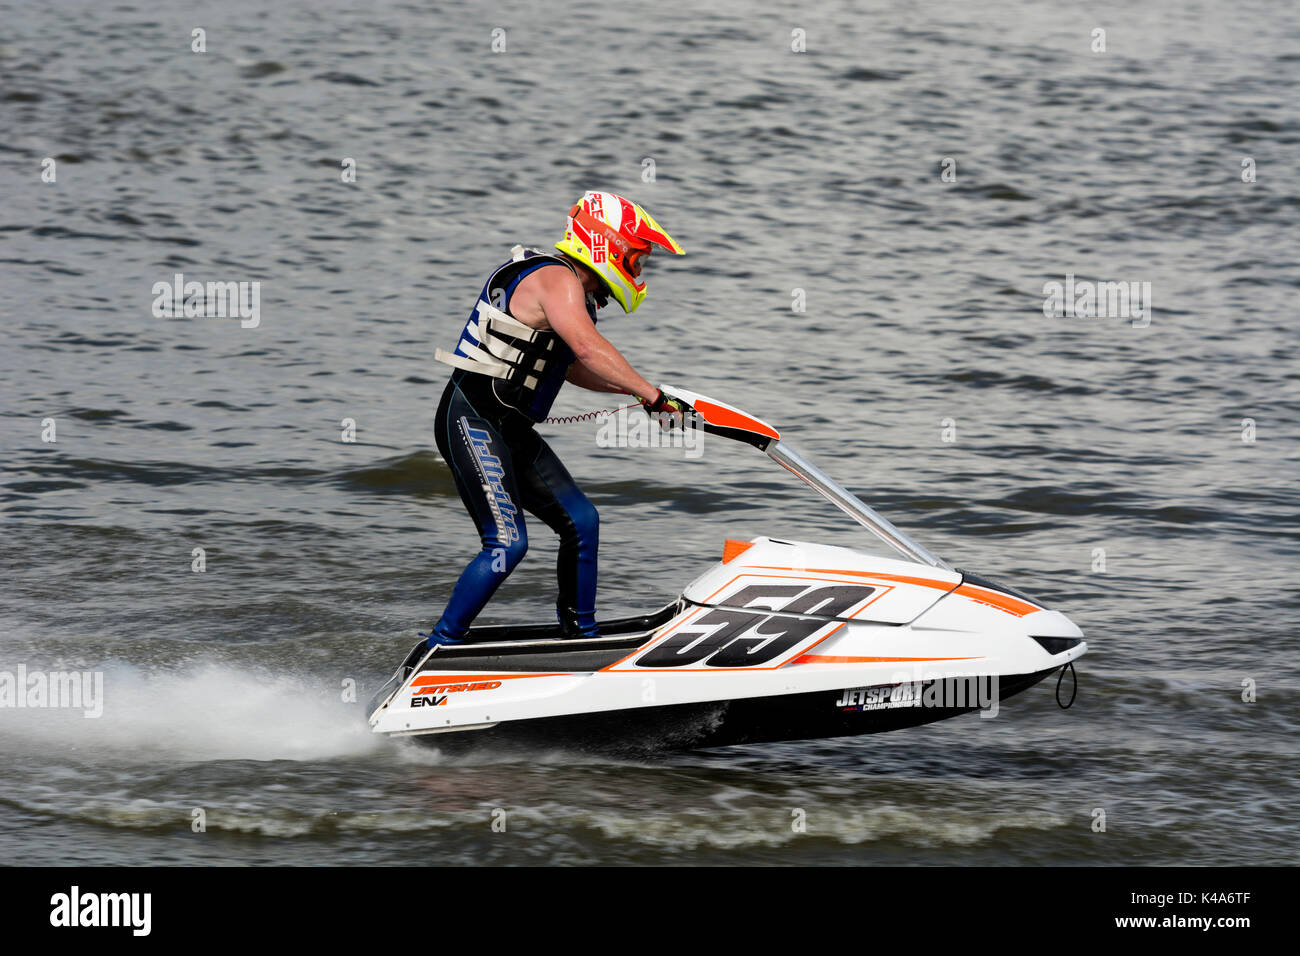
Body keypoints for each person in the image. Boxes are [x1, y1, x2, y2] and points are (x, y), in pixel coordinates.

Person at [424, 191, 687, 646]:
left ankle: (581, 638)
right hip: (471, 417)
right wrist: (651, 392)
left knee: (581, 522)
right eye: (637, 257)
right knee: (507, 543)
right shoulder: (555, 278)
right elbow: (587, 348)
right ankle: (440, 648)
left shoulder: (575, 296)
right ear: (606, 243)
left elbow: (572, 366)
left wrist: (645, 395)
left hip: (508, 428)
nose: (640, 271)